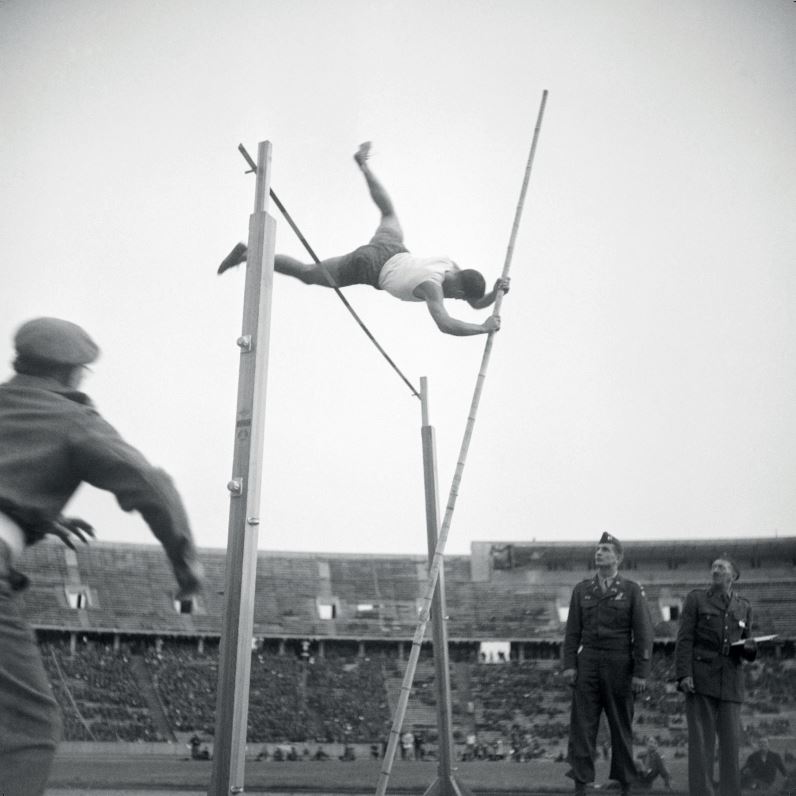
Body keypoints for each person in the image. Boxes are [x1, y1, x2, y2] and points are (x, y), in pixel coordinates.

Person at [0, 317, 204, 796]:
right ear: (74, 374)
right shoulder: (73, 419)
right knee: (25, 727)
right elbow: (154, 486)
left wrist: (32, 516)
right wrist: (186, 567)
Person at [218, 142, 509, 337]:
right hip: (369, 267)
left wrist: (495, 293)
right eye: (460, 297)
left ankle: (364, 166)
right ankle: (248, 254)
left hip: (391, 247)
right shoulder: (431, 289)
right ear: (458, 291)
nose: (458, 300)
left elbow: (473, 303)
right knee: (308, 273)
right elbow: (445, 325)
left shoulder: (450, 265)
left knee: (389, 212)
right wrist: (483, 329)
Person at [562, 532, 653, 796]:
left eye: (605, 549)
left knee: (620, 725)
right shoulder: (582, 590)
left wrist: (641, 672)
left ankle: (625, 783)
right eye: (597, 549)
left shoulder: (631, 590)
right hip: (587, 661)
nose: (599, 553)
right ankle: (581, 783)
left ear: (618, 558)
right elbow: (571, 633)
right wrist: (569, 664)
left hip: (620, 662)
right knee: (582, 727)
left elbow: (644, 633)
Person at [675, 556, 757, 796]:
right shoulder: (696, 599)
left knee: (731, 746)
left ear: (733, 576)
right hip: (700, 678)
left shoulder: (744, 606)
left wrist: (752, 649)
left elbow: (747, 647)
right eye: (713, 567)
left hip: (731, 680)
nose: (715, 570)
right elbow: (684, 639)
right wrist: (683, 675)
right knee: (702, 745)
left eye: (721, 567)